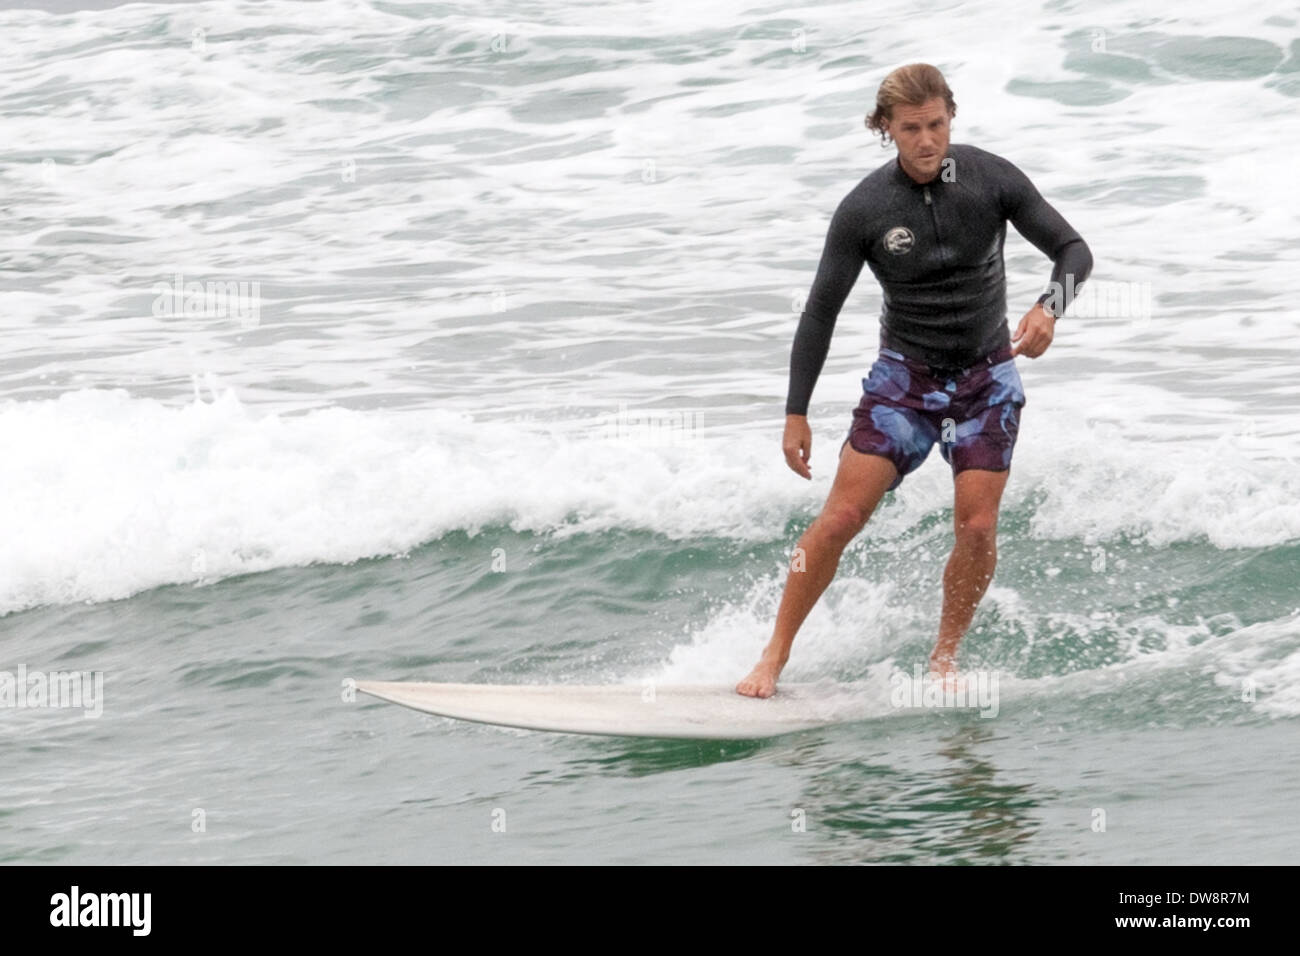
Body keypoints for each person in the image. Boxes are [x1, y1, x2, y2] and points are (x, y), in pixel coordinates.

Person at [736, 63, 1092, 698]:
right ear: (885, 129)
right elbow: (821, 310)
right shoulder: (866, 209)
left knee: (978, 526)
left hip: (987, 379)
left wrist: (1050, 307)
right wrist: (795, 412)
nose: (927, 141)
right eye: (910, 129)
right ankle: (773, 655)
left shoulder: (991, 179)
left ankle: (945, 657)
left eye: (936, 125)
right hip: (904, 382)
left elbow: (1074, 250)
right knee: (841, 515)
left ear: (950, 117)